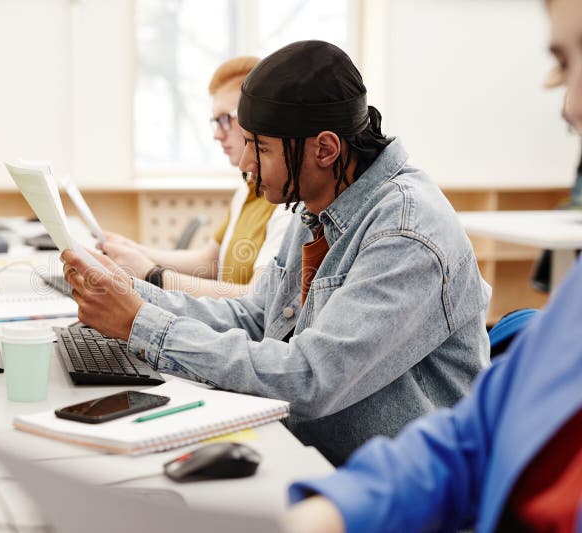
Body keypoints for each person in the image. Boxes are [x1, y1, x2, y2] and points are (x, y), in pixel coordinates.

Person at [61, 40, 490, 465]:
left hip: (399, 491)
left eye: (260, 147)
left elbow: (309, 378)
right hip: (310, 455)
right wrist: (127, 291)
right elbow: (254, 318)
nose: (246, 163)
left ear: (325, 148)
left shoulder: (405, 233)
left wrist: (142, 324)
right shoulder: (316, 204)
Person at [282, 0, 582, 531]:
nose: (569, 107)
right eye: (563, 65)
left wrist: (150, 315)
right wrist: (337, 509)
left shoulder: (406, 226)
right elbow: (474, 439)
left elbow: (311, 377)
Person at [101, 56, 294, 298]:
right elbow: (210, 260)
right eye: (216, 121)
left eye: (225, 119)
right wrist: (133, 251)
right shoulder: (247, 188)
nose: (217, 135)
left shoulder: (290, 204)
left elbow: (259, 302)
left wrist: (153, 275)